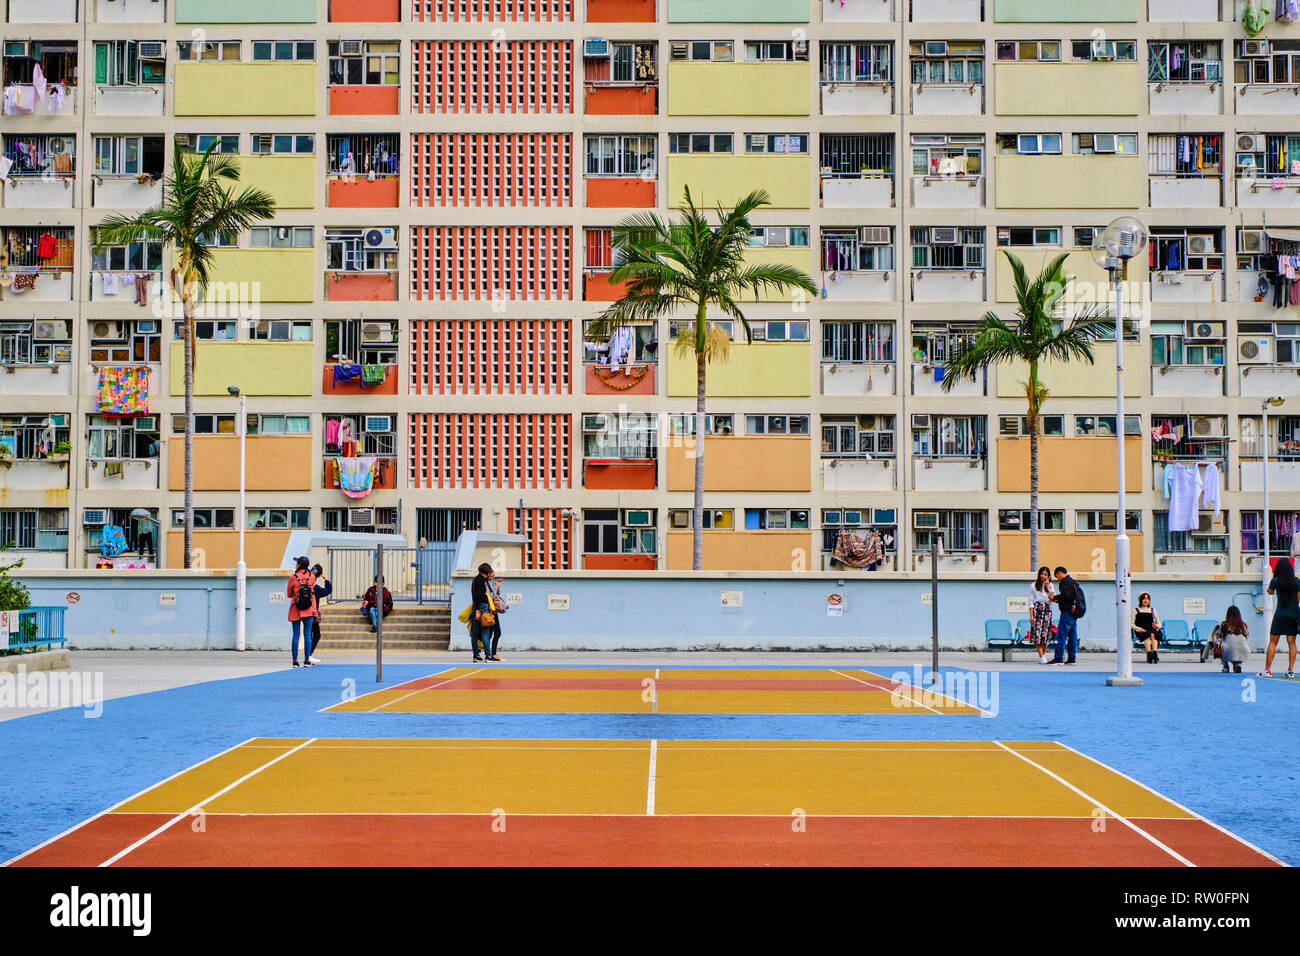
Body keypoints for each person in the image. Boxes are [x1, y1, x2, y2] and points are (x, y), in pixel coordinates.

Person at [1263, 556, 1299, 678]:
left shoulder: (1276, 581)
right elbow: (1299, 598)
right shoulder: (1297, 581)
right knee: (1291, 642)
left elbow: (1270, 591)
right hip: (1293, 613)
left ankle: (1267, 670)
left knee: (1273, 641)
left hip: (1280, 613)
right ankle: (1290, 671)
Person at [286, 556, 318, 668]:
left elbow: (289, 594)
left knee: (296, 635)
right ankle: (307, 660)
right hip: (309, 609)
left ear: (299, 564)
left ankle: (295, 661)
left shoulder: (293, 577)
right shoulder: (312, 576)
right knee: (307, 635)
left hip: (296, 608)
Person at [1204, 605, 1250, 674]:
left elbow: (1220, 638)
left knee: (1221, 645)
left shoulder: (1224, 624)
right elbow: (1246, 638)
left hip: (1228, 651)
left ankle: (1225, 666)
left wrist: (1216, 648)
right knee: (1236, 647)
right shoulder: (1244, 625)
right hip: (1244, 651)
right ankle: (1237, 664)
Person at [1050, 566, 1082, 665]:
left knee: (1061, 635)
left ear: (1059, 573)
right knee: (1072, 635)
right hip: (1074, 613)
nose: (1058, 579)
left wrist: (1055, 597)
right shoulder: (1073, 582)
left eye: (1057, 576)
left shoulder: (1065, 582)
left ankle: (1059, 658)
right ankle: (1071, 659)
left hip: (1067, 612)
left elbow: (1066, 596)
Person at [1028, 566, 1055, 665]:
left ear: (1048, 576)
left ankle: (1042, 656)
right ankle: (1041, 656)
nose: (1043, 576)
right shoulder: (1034, 585)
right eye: (1042, 574)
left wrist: (1048, 588)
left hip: (1047, 610)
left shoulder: (1051, 585)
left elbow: (1053, 599)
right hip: (1037, 609)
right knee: (1037, 634)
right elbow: (1030, 601)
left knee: (1045, 634)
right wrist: (1031, 615)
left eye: (1045, 574)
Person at [470, 563, 495, 663]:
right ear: (487, 573)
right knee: (485, 631)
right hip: (482, 607)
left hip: (476, 607)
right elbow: (478, 597)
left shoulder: (476, 579)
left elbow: (474, 596)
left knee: (475, 632)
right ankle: (488, 656)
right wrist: (478, 611)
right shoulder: (481, 581)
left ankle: (476, 655)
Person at [1132, 591, 1163, 665]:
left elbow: (1158, 622)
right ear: (1140, 600)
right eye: (1144, 598)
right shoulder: (1135, 610)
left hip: (1151, 628)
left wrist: (1157, 626)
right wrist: (1138, 628)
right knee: (1148, 635)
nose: (1146, 600)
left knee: (1153, 635)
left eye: (1147, 599)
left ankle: (1154, 654)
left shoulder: (1152, 610)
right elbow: (1131, 623)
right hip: (1141, 629)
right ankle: (1149, 654)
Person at [309, 564, 331, 664]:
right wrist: (325, 579)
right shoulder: (315, 588)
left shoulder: (303, 583)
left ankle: (305, 657)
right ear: (319, 575)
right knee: (316, 635)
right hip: (312, 613)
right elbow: (328, 590)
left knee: (308, 634)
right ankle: (308, 655)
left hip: (303, 613)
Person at [486, 573, 507, 661]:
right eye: (491, 576)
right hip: (490, 612)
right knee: (496, 632)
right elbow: (490, 596)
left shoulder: (489, 584)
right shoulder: (485, 584)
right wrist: (496, 587)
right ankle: (492, 654)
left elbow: (496, 595)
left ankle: (491, 654)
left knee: (492, 633)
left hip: (493, 611)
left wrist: (497, 586)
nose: (492, 577)